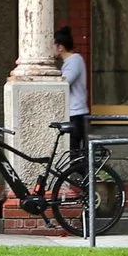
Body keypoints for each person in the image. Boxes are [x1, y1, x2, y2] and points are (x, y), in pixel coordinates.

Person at [55, 25, 89, 176]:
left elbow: (65, 82)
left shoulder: (74, 60)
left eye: (52, 45)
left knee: (75, 156)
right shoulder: (70, 62)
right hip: (73, 113)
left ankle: (89, 186)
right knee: (73, 156)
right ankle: (86, 185)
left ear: (60, 47)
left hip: (76, 114)